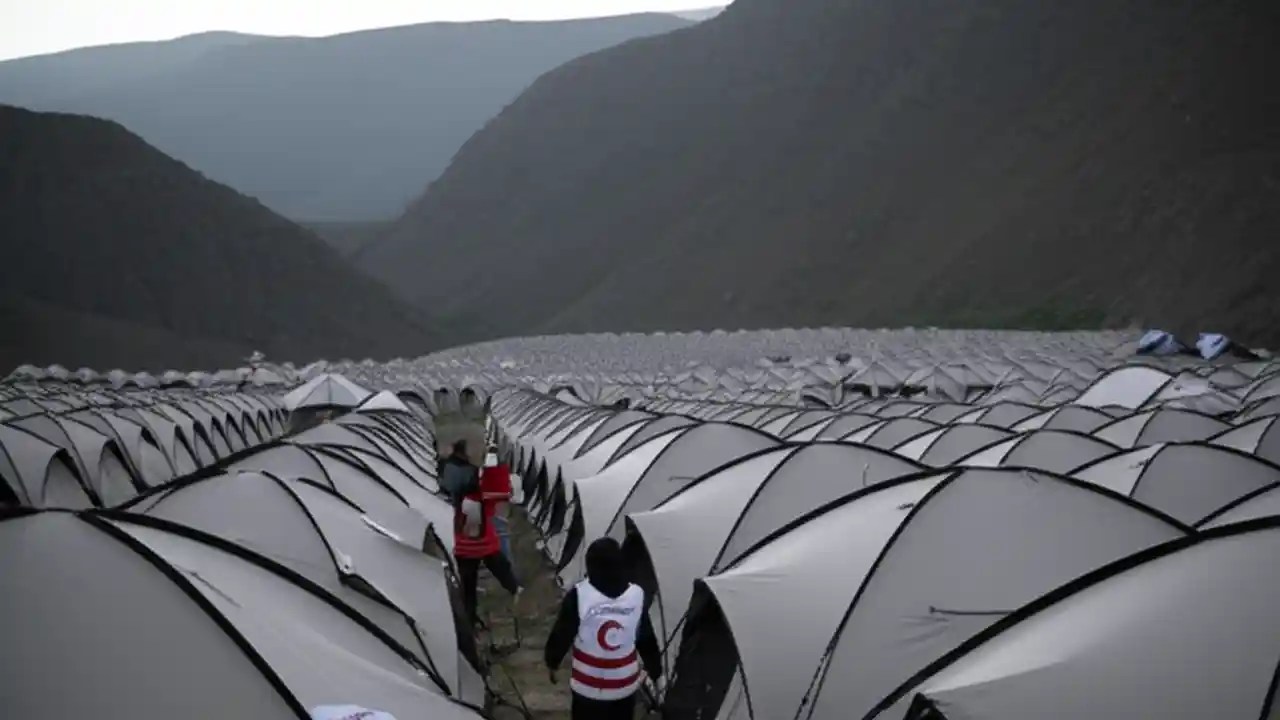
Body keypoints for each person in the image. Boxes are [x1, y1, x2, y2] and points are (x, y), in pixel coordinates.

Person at [545, 537, 662, 720]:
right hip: (624, 688)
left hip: (588, 688)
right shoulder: (636, 596)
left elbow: (562, 633)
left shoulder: (579, 595)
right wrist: (655, 670)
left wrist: (552, 662)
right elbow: (646, 638)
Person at [443, 439, 521, 628]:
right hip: (483, 542)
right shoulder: (479, 481)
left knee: (468, 585)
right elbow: (498, 498)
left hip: (462, 544)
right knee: (499, 564)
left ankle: (470, 620)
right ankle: (515, 590)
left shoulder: (448, 474)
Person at [482, 447, 519, 581]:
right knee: (503, 537)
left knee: (496, 538)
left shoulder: (487, 473)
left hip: (491, 509)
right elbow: (509, 490)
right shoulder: (504, 471)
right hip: (502, 508)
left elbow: (483, 490)